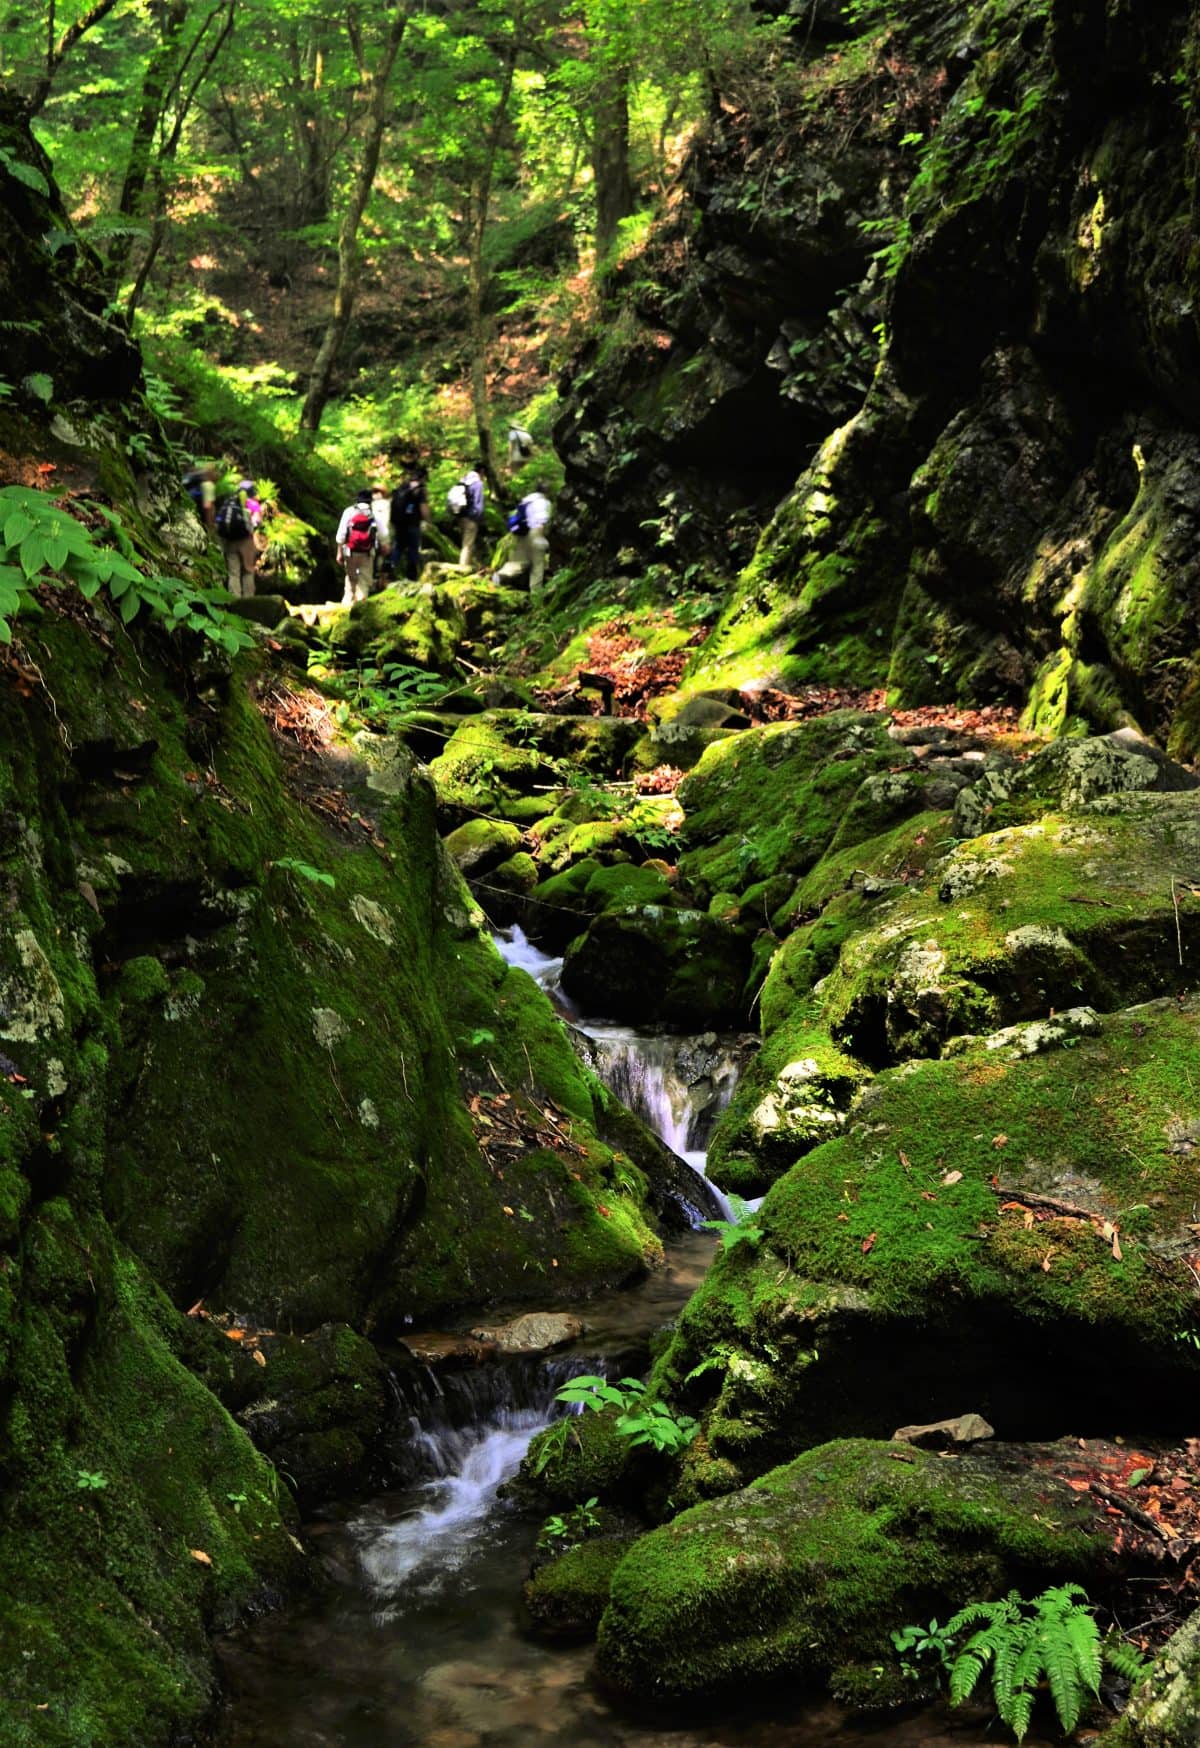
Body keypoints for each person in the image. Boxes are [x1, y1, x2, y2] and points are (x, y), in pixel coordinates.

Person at [215, 477, 262, 597]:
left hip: (230, 541)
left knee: (233, 573)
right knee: (248, 572)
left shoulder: (229, 501)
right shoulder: (252, 504)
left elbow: (220, 520)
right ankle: (249, 601)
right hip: (246, 541)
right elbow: (257, 522)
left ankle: (234, 600)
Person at [335, 490, 379, 606]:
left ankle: (346, 605)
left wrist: (339, 552)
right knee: (364, 580)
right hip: (368, 552)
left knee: (351, 579)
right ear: (370, 501)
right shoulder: (373, 513)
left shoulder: (349, 511)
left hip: (350, 551)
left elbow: (341, 534)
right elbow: (381, 534)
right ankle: (361, 606)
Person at [508, 481, 551, 591]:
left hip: (521, 533)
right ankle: (535, 598)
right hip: (536, 532)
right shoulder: (544, 502)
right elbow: (543, 521)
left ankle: (499, 581)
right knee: (537, 566)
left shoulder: (527, 499)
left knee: (519, 563)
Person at [390, 464, 430, 583]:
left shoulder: (403, 486)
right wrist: (428, 521)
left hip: (399, 524)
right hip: (412, 524)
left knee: (398, 547)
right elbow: (423, 508)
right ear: (423, 477)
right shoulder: (420, 489)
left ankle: (390, 571)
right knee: (413, 549)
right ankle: (411, 577)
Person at [457, 460, 484, 571]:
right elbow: (478, 503)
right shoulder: (477, 483)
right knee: (467, 545)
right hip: (471, 518)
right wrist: (479, 519)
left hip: (460, 516)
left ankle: (468, 565)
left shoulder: (464, 480)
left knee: (466, 543)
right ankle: (463, 569)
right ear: (482, 471)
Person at [182, 462, 216, 529]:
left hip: (186, 511)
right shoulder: (208, 484)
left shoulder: (194, 480)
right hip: (197, 516)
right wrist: (210, 526)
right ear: (211, 473)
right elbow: (207, 506)